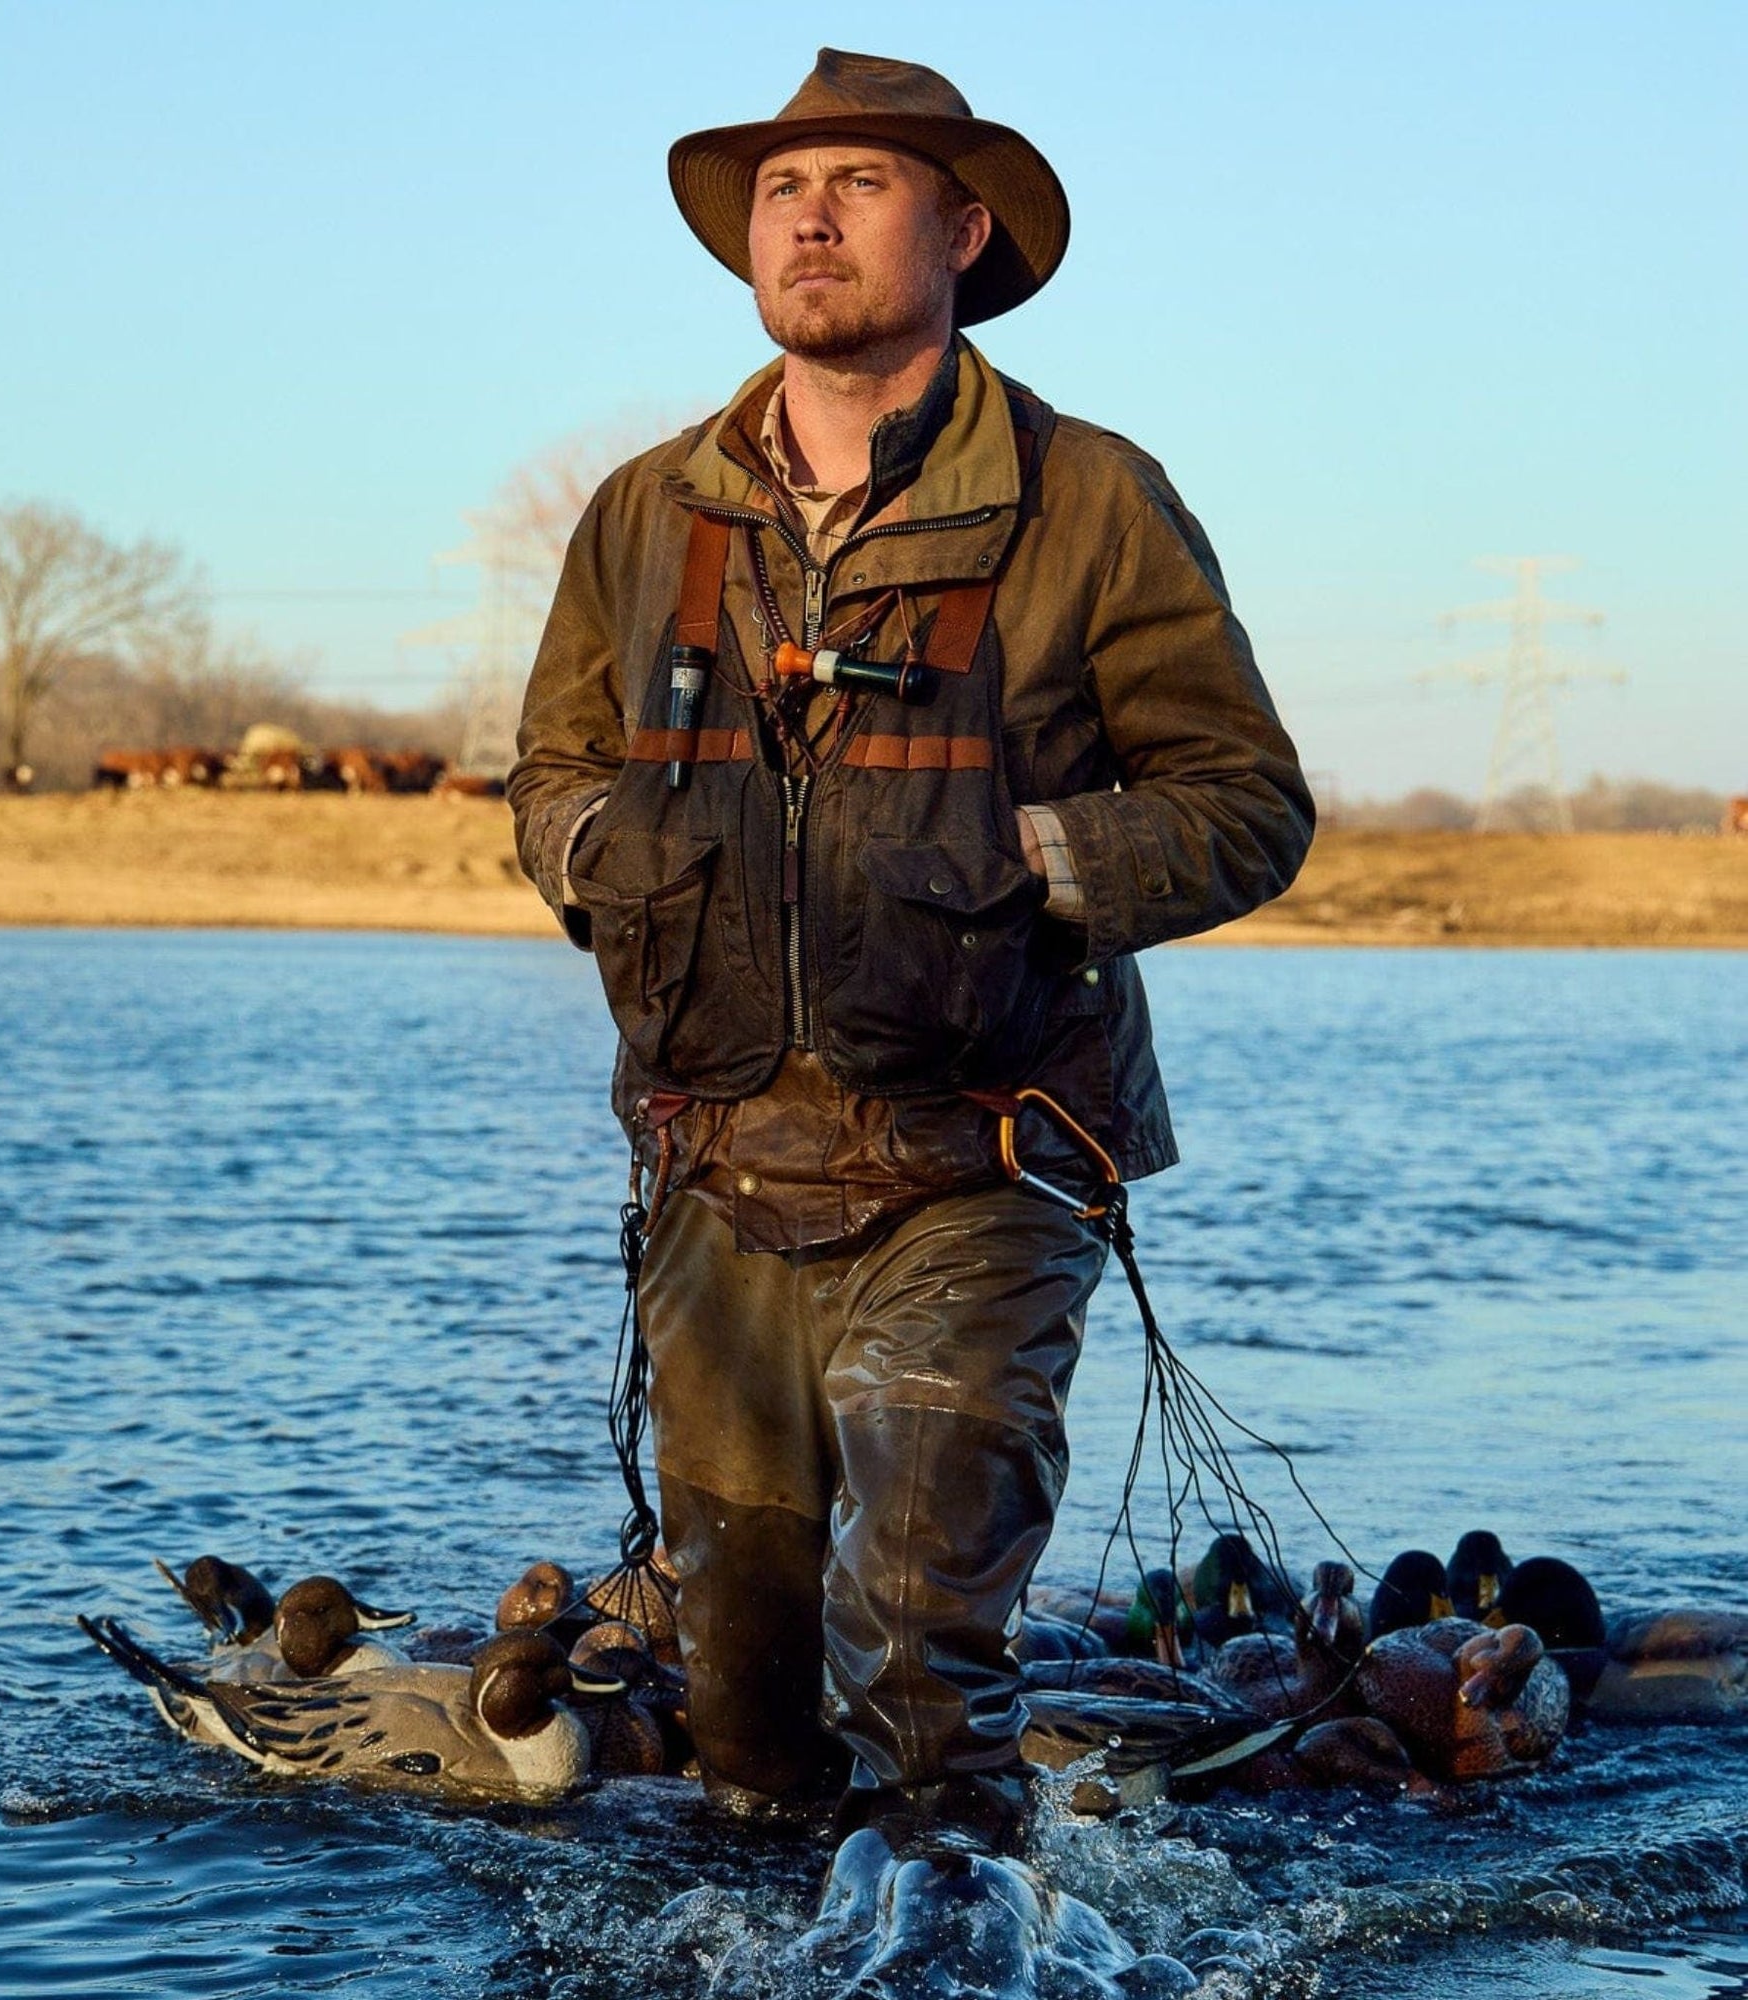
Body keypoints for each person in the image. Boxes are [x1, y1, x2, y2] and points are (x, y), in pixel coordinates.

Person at [509, 49, 1313, 1857]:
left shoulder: (1091, 497)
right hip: (713, 1165)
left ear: (963, 229)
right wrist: (599, 844)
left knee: (922, 1640)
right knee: (746, 1701)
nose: (807, 214)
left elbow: (1248, 804)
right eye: (783, 187)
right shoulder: (647, 513)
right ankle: (760, 1947)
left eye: (860, 182)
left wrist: (1035, 851)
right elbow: (550, 767)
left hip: (988, 1158)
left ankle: (965, 1936)